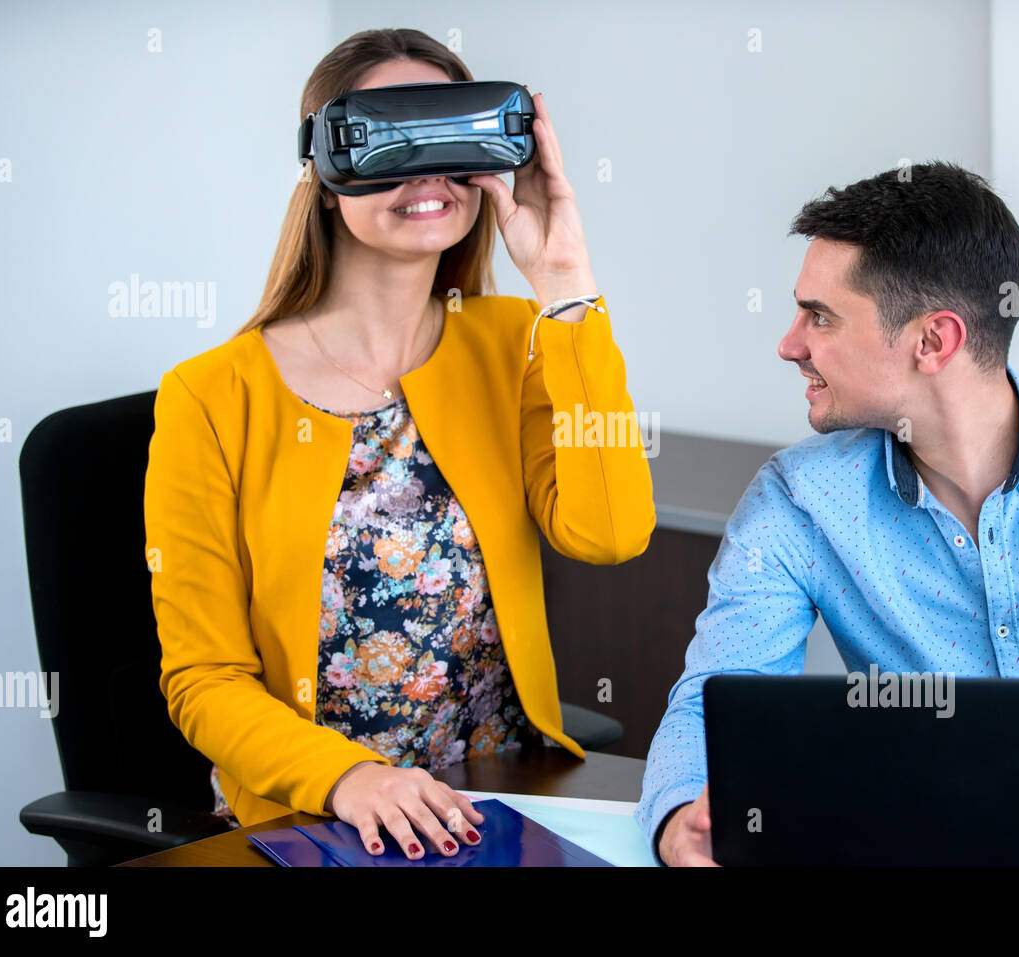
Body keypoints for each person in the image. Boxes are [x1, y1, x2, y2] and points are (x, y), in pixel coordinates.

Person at [635, 161, 1019, 867]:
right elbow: (708, 703)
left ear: (935, 340)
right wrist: (680, 816)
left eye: (820, 317)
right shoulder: (798, 501)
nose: (790, 344)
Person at [144, 28, 654, 861]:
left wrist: (566, 286)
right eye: (391, 143)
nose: (428, 177)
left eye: (452, 143)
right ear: (323, 167)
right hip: (315, 814)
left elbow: (611, 530)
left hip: (495, 802)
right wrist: (350, 777)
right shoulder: (211, 395)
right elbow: (204, 679)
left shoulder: (513, 341)